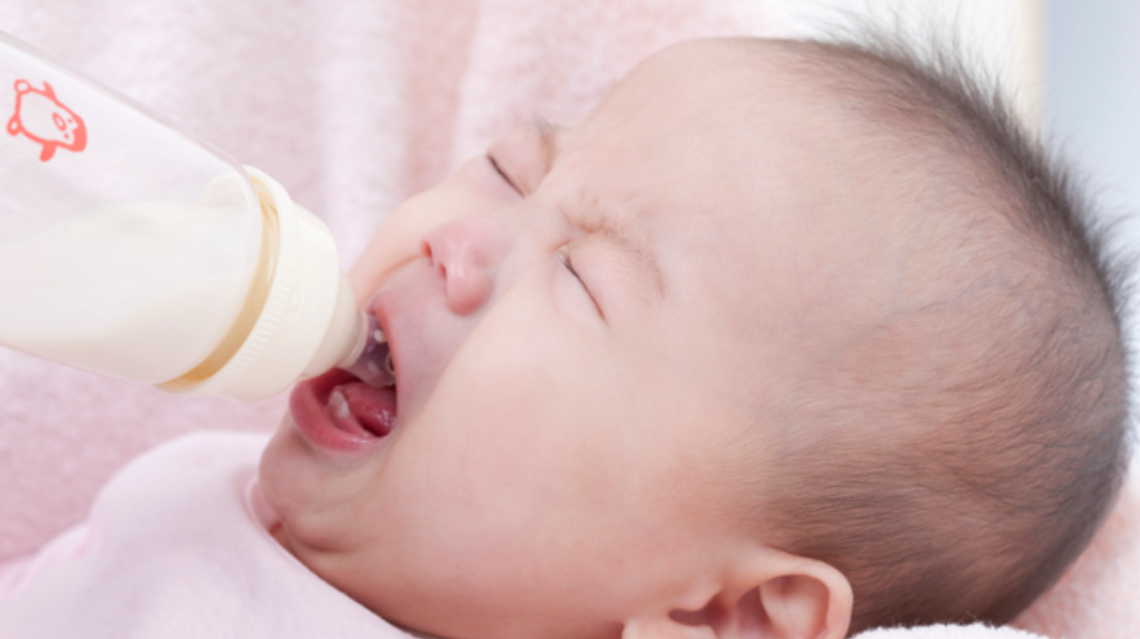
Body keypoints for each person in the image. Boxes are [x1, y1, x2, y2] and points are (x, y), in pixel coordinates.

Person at [0, 36, 1129, 639]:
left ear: (721, 614)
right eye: (509, 170)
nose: (461, 241)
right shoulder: (208, 482)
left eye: (584, 279)